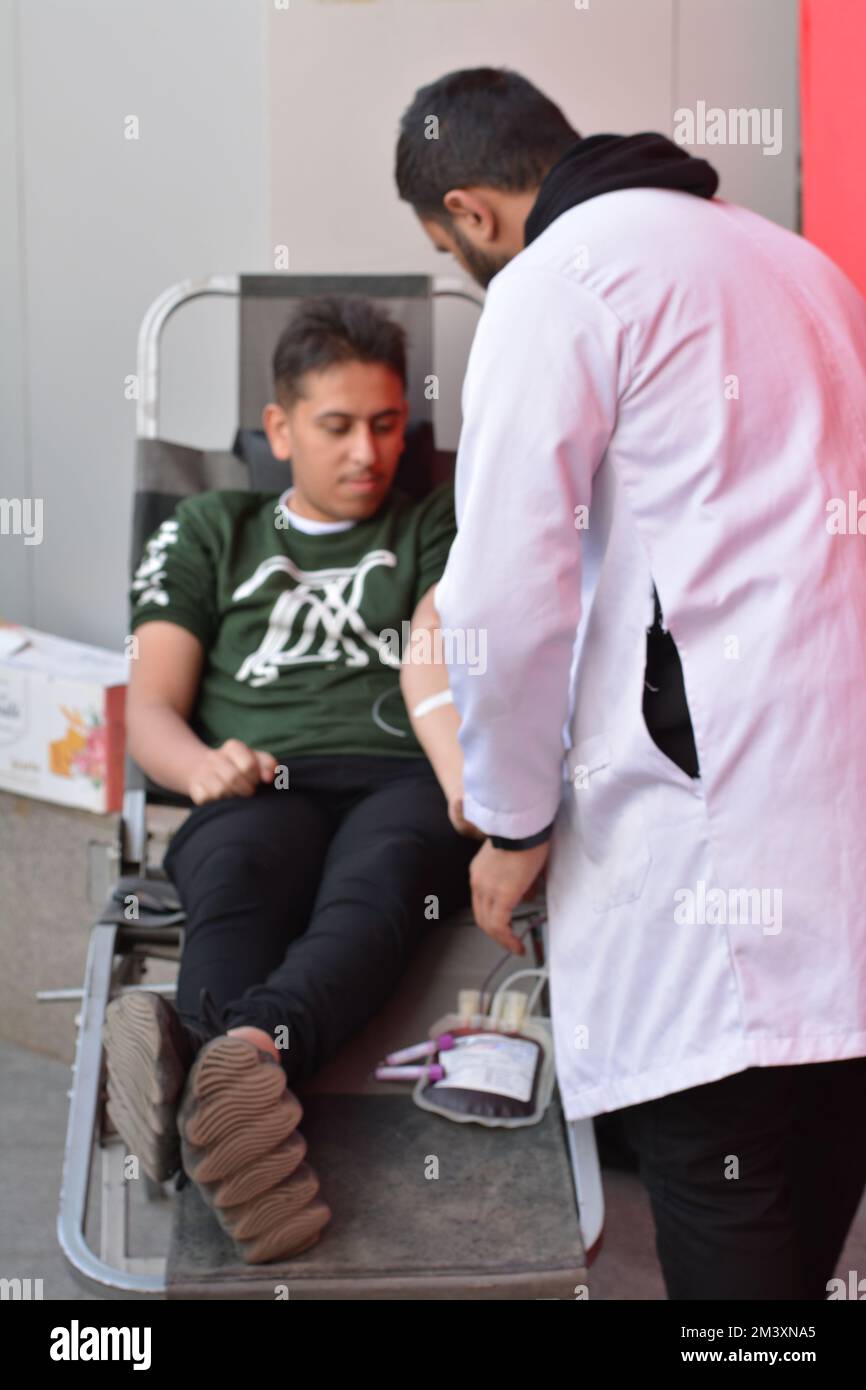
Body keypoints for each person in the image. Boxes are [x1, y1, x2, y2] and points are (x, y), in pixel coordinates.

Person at [394, 67, 866, 1300]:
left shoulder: (558, 283)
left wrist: (507, 819)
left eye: (452, 252)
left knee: (724, 1205)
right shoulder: (800, 266)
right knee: (807, 1186)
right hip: (837, 829)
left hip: (697, 838)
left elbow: (500, 592)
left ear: (471, 213)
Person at [102, 294, 481, 1265]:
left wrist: (466, 786)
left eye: (388, 424)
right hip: (253, 775)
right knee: (236, 877)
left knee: (382, 880)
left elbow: (447, 657)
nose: (368, 451)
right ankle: (233, 1065)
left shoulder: (439, 522)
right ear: (277, 428)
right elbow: (148, 708)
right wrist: (202, 765)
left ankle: (215, 1051)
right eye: (337, 425)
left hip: (398, 770)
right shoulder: (210, 527)